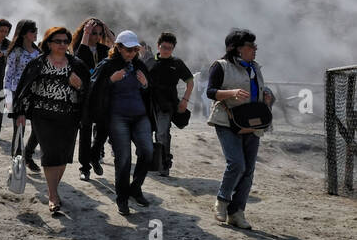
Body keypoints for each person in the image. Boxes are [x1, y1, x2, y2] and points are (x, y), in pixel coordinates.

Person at [11, 26, 91, 214]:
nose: (63, 44)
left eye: (65, 41)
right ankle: (53, 194)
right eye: (58, 41)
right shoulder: (38, 63)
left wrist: (79, 86)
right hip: (43, 114)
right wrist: (20, 112)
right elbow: (25, 88)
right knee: (49, 153)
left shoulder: (76, 64)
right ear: (49, 43)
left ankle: (53, 189)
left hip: (69, 115)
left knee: (62, 155)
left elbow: (88, 90)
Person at [205, 29, 274, 229]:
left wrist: (267, 97)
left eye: (254, 46)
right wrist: (231, 93)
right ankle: (222, 201)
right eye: (250, 46)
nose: (254, 49)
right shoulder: (221, 66)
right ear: (236, 49)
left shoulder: (255, 68)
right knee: (236, 164)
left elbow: (258, 92)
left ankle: (237, 212)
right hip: (227, 121)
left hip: (252, 123)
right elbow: (210, 91)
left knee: (248, 170)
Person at [85, 30, 157, 215]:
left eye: (135, 50)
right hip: (117, 116)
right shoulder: (107, 65)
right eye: (128, 50)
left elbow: (150, 92)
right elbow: (93, 87)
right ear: (118, 47)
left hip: (140, 115)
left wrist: (146, 85)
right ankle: (122, 198)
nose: (132, 53)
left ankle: (136, 187)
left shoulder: (139, 64)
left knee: (148, 152)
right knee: (123, 159)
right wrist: (110, 80)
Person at [144, 32, 194, 177]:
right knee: (147, 133)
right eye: (164, 47)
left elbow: (190, 81)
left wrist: (185, 100)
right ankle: (152, 162)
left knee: (162, 133)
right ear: (158, 46)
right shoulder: (149, 62)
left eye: (170, 48)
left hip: (167, 104)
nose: (166, 50)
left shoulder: (177, 63)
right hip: (149, 103)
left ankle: (164, 164)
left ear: (173, 49)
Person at [70, 18, 110, 181]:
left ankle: (94, 155)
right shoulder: (80, 47)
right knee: (85, 131)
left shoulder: (104, 49)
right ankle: (84, 167)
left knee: (104, 129)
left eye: (100, 33)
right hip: (85, 95)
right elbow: (79, 59)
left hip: (102, 94)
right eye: (94, 33)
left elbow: (117, 51)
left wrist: (108, 32)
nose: (97, 36)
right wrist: (86, 34)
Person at [3, 19, 41, 172]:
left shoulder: (39, 53)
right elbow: (8, 76)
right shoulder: (16, 53)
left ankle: (28, 155)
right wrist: (7, 99)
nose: (36, 33)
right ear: (25, 34)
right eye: (33, 31)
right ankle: (17, 162)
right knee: (19, 130)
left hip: (37, 95)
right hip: (18, 95)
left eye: (36, 30)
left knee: (38, 130)